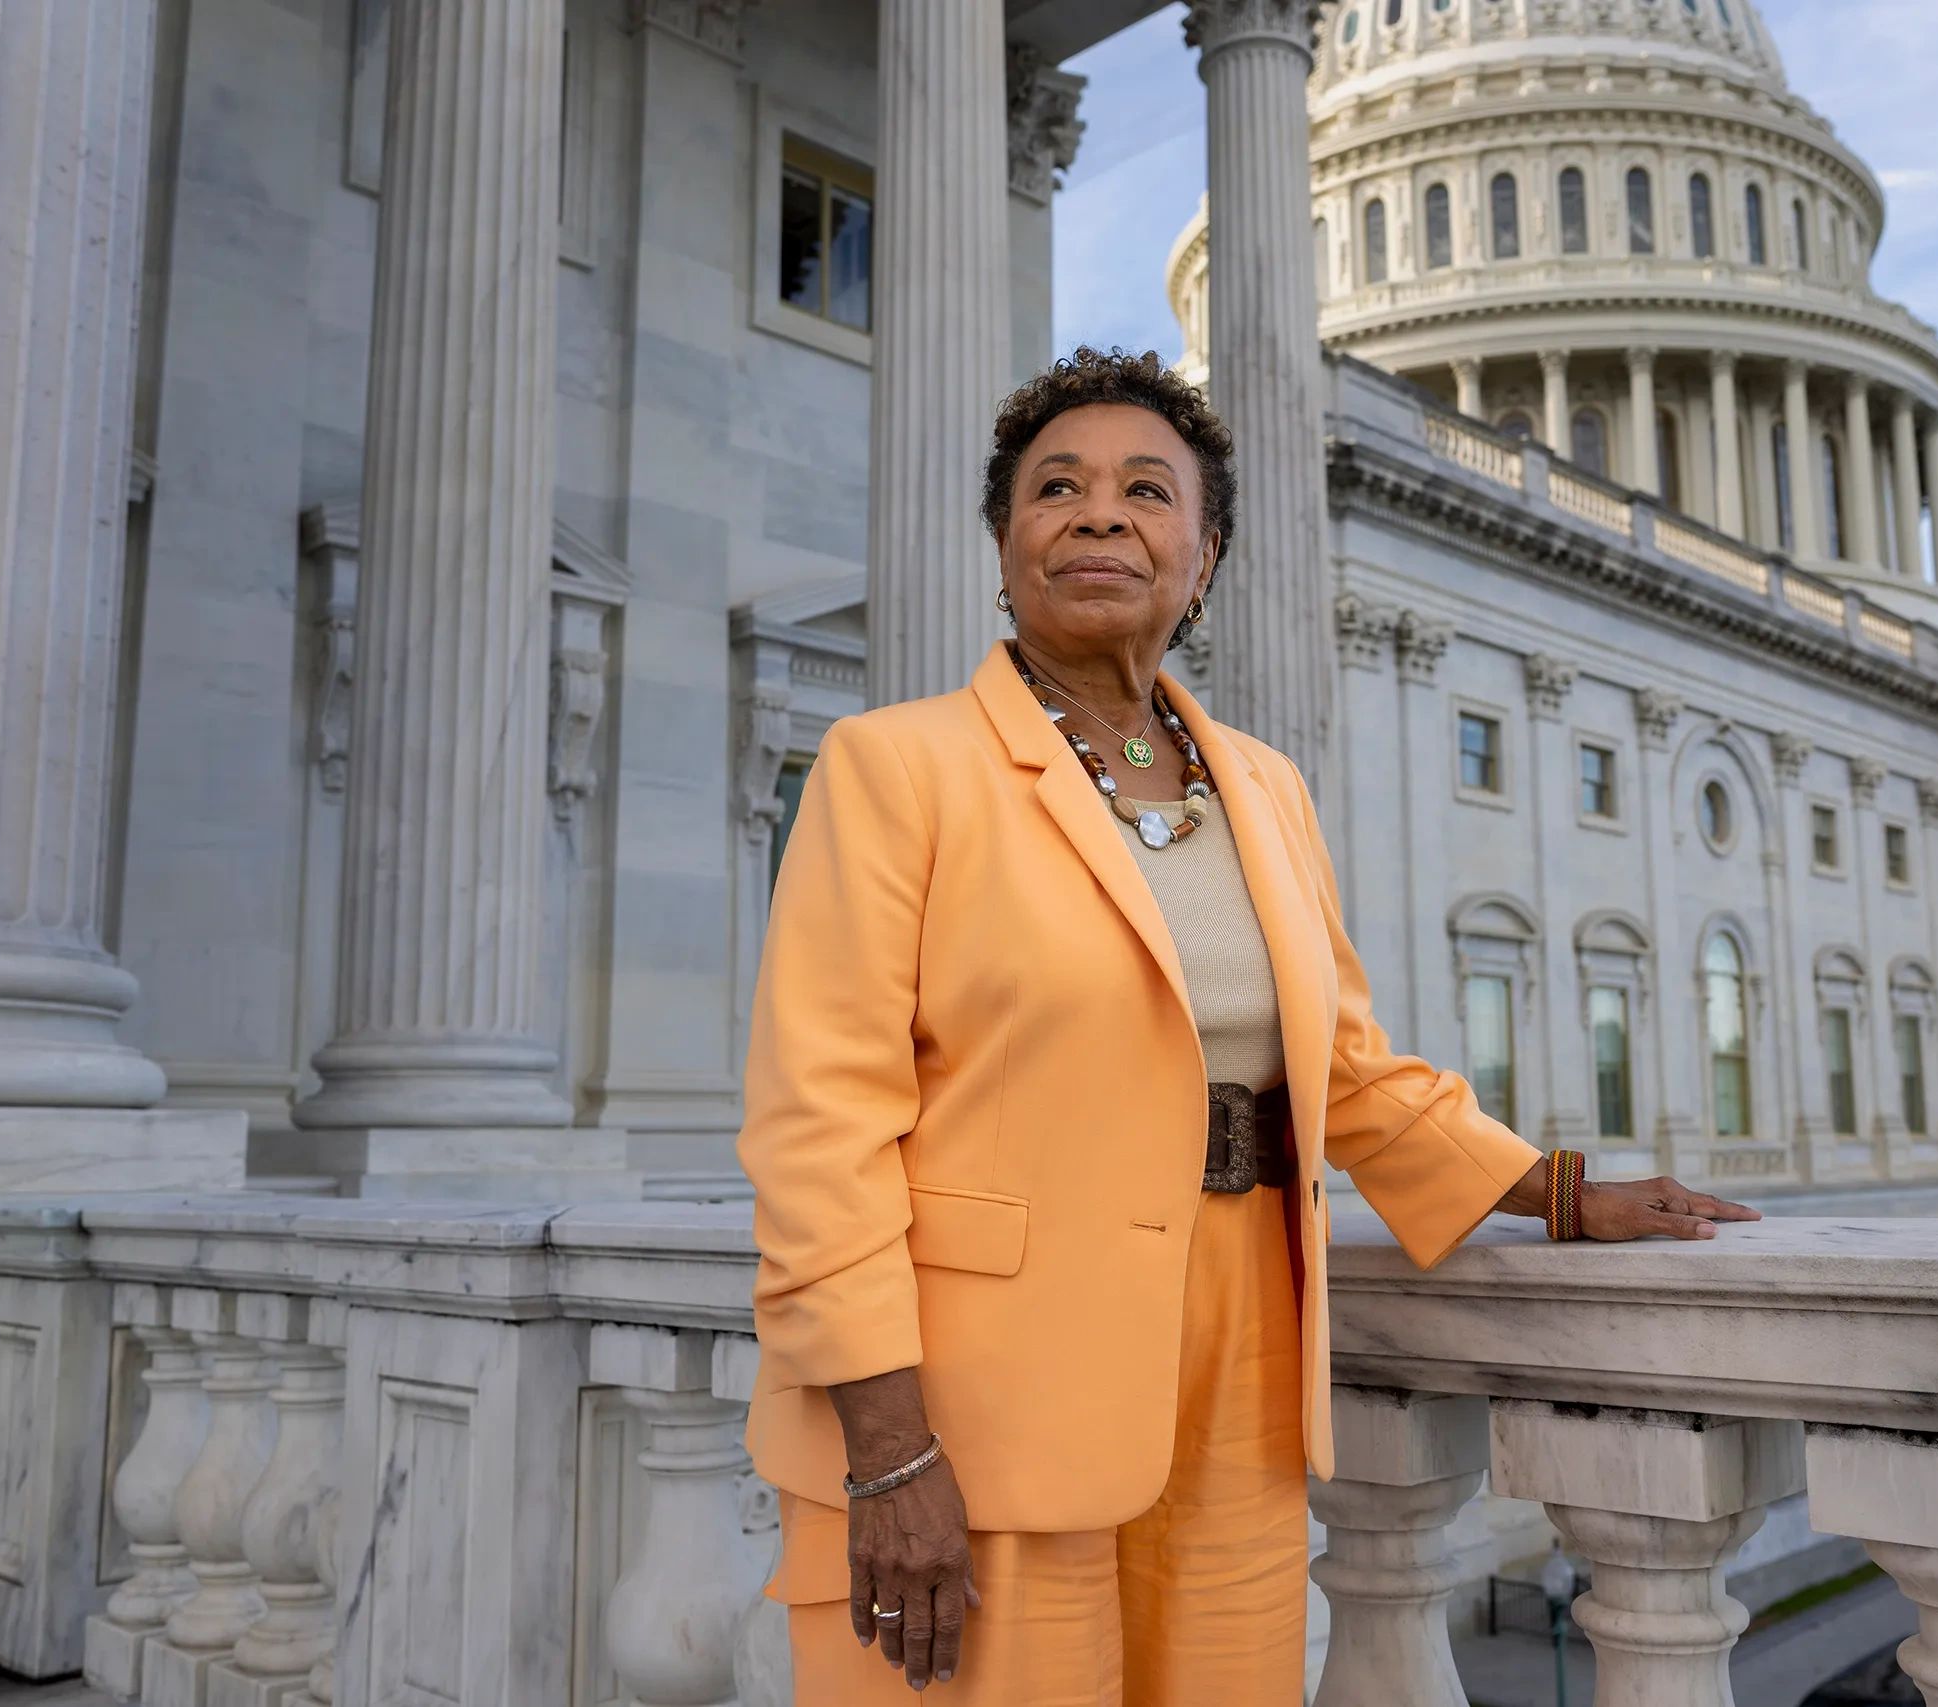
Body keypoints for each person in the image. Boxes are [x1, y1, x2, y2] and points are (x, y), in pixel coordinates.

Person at [738, 347, 1758, 1704]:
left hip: (1244, 1358)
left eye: (1147, 492)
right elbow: (821, 1128)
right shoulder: (897, 768)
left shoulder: (1265, 788)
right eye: (1059, 488)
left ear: (1202, 557)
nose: (1101, 515)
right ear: (1006, 543)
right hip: (983, 1391)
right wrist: (890, 1449)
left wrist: (1558, 1193)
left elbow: (1344, 1070)